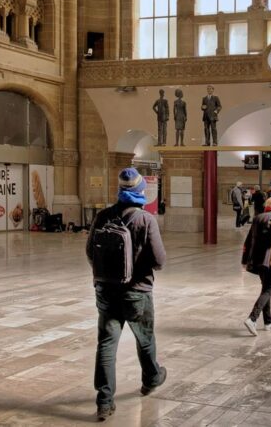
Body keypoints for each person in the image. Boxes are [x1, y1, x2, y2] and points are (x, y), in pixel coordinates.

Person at [86, 168, 168, 421]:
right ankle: (151, 378)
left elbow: (90, 252)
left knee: (107, 344)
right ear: (140, 191)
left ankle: (104, 401)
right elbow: (159, 260)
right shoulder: (145, 220)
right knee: (144, 338)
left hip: (106, 291)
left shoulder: (103, 216)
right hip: (137, 292)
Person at [241, 196, 271, 335]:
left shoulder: (257, 217)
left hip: (256, 259)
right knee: (267, 289)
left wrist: (244, 260)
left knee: (266, 288)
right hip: (269, 259)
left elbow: (248, 240)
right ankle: (252, 318)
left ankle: (268, 321)